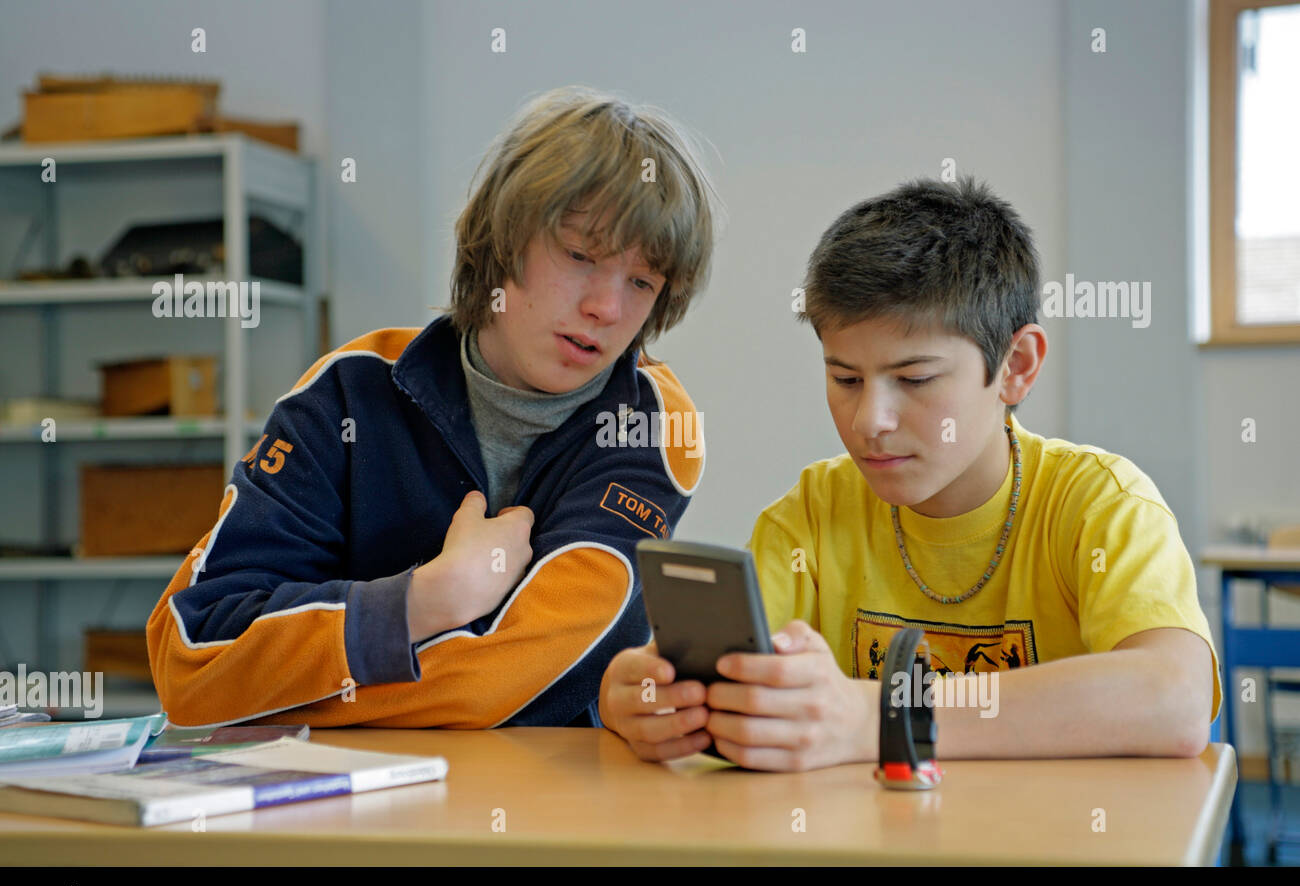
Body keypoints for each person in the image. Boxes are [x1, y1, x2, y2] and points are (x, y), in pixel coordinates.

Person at [599, 176, 1221, 770]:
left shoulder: (1096, 505)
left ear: (1016, 366)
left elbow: (1174, 697)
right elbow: (715, 680)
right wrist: (640, 699)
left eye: (915, 379)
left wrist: (879, 717)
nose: (870, 419)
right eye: (845, 378)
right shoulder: (817, 513)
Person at [147, 86, 718, 729]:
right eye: (581, 255)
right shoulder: (348, 392)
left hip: (552, 809)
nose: (607, 309)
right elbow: (190, 661)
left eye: (642, 281)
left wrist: (284, 692)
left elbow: (497, 683)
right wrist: (426, 599)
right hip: (337, 810)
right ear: (502, 240)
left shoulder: (651, 425)